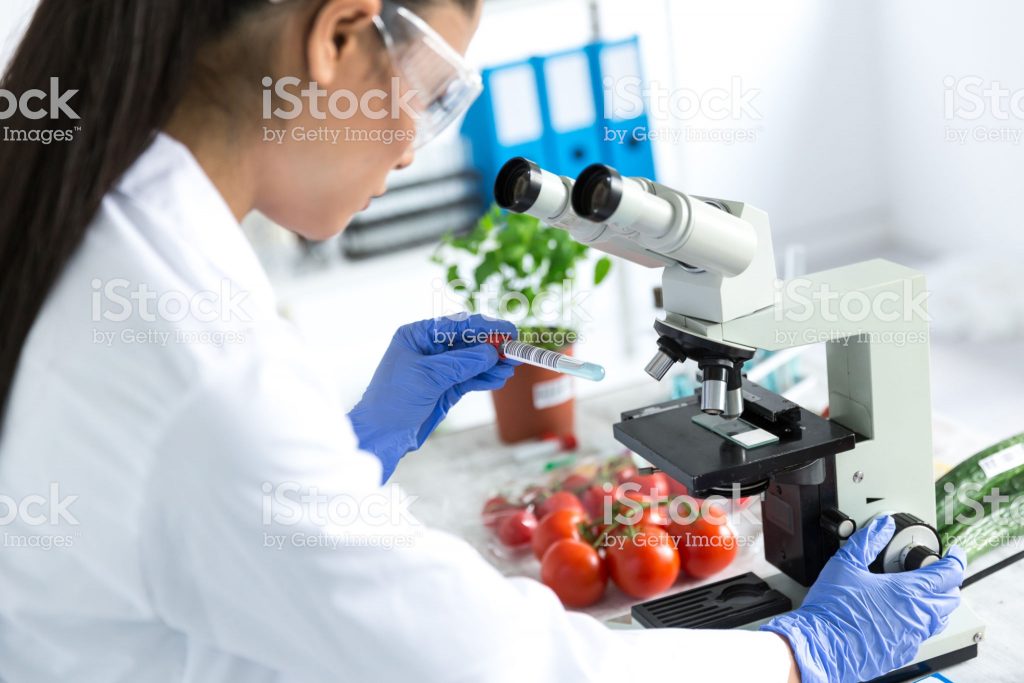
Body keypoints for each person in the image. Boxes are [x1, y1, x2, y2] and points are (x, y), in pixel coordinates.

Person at [0, 0, 964, 681]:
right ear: (338, 36)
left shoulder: (88, 222)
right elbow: (494, 666)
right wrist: (802, 655)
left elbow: (190, 530)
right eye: (432, 95)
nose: (415, 146)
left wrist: (355, 449)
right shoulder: (200, 365)